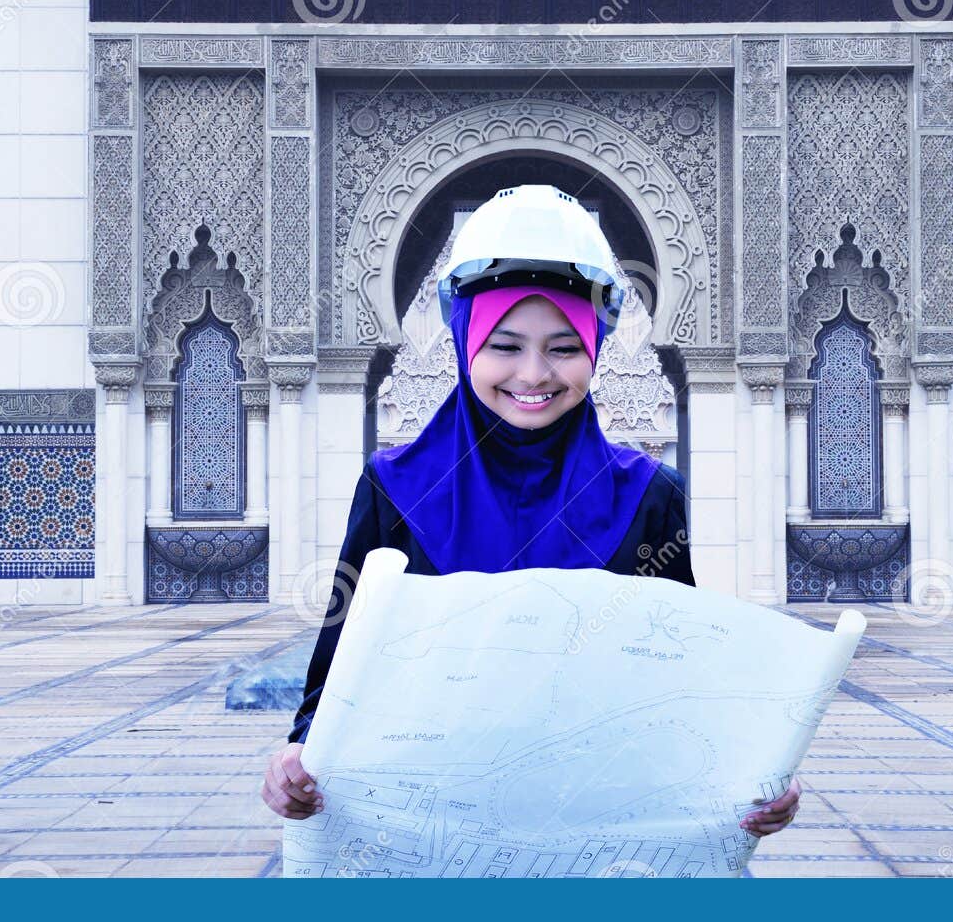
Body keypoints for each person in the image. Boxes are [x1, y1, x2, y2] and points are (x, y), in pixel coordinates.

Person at [261, 185, 800, 840]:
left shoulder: (651, 494)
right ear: (465, 339)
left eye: (564, 347)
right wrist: (297, 757)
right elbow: (339, 666)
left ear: (597, 346)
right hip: (434, 836)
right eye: (506, 344)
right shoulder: (394, 488)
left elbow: (673, 673)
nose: (534, 373)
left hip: (587, 829)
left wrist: (752, 770)